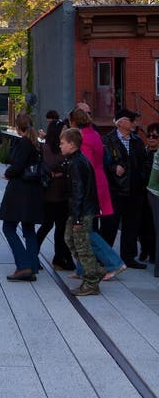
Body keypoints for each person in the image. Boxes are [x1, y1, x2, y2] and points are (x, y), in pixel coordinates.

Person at [69, 107, 125, 281]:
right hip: (99, 183)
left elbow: (84, 167)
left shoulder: (83, 139)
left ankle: (113, 262)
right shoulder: (94, 134)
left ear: (74, 122)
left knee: (86, 229)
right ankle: (83, 268)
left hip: (90, 187)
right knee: (86, 228)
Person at [60, 127, 105, 296]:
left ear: (72, 144)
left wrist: (77, 218)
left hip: (82, 211)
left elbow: (78, 191)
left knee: (81, 245)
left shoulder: (77, 163)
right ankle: (94, 270)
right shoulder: (75, 160)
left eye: (62, 143)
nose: (60, 146)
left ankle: (91, 281)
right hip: (79, 210)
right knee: (69, 238)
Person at [0, 114, 44, 281]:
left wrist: (8, 173)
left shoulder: (24, 143)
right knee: (29, 229)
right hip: (32, 192)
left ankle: (23, 265)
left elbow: (17, 165)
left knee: (8, 227)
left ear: (18, 127)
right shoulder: (35, 143)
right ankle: (32, 265)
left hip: (20, 191)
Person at [101, 108, 148, 268]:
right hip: (115, 190)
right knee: (110, 225)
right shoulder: (107, 140)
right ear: (121, 122)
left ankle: (128, 257)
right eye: (131, 120)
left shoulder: (137, 140)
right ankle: (104, 257)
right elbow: (102, 163)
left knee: (131, 225)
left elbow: (144, 162)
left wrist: (141, 179)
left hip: (134, 191)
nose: (135, 123)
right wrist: (113, 168)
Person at [36, 115, 75, 271]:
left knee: (61, 228)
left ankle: (60, 258)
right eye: (63, 130)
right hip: (50, 194)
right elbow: (52, 165)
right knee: (47, 225)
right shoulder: (47, 147)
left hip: (62, 194)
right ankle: (32, 255)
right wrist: (62, 169)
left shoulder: (59, 147)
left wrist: (61, 171)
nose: (65, 132)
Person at [139, 123, 159, 263]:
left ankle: (153, 253)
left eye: (155, 136)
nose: (151, 138)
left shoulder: (157, 155)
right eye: (149, 135)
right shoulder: (144, 151)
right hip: (142, 193)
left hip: (154, 194)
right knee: (144, 223)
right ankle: (145, 250)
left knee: (153, 225)